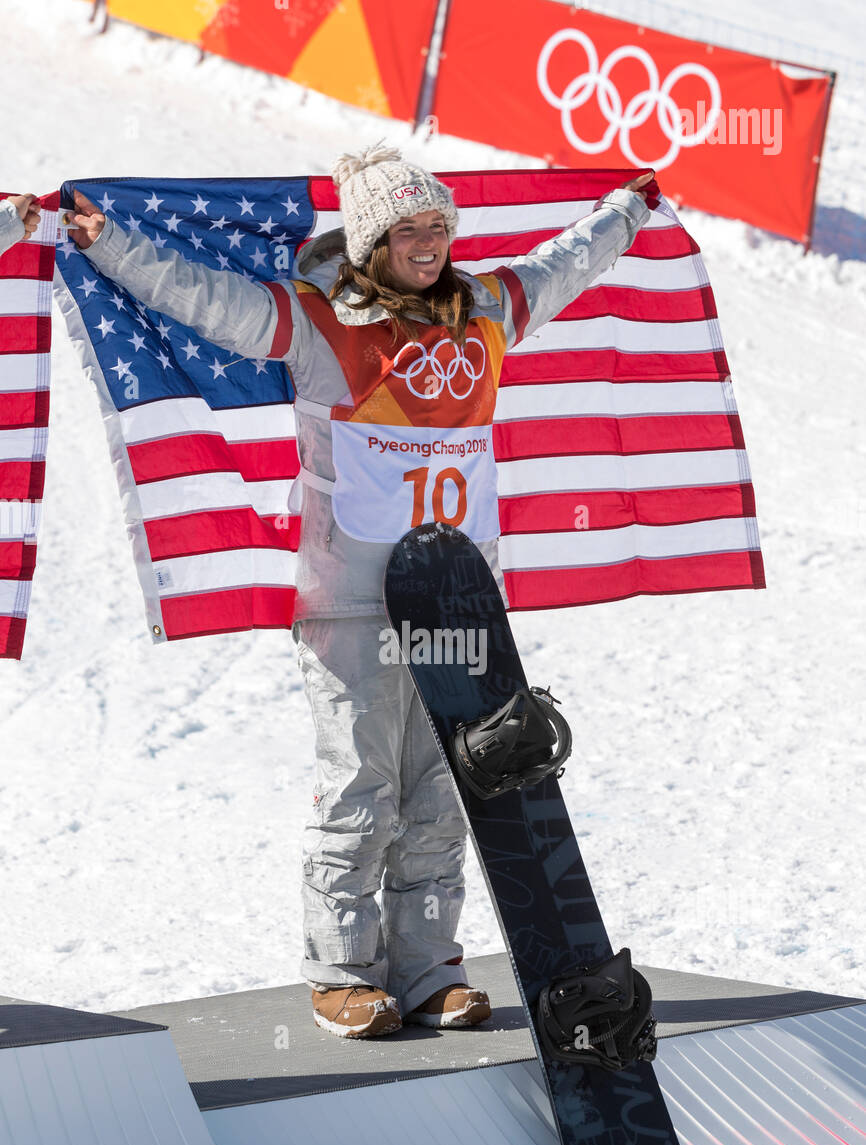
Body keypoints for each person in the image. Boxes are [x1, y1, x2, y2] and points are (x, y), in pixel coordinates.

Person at [68, 145, 654, 1039]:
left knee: (447, 785)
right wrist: (108, 243)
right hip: (351, 599)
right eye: (407, 230)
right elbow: (201, 297)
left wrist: (625, 213)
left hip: (457, 601)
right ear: (371, 240)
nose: (427, 245)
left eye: (438, 228)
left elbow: (559, 267)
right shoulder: (314, 322)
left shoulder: (484, 309)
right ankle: (342, 969)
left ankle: (428, 969)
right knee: (361, 784)